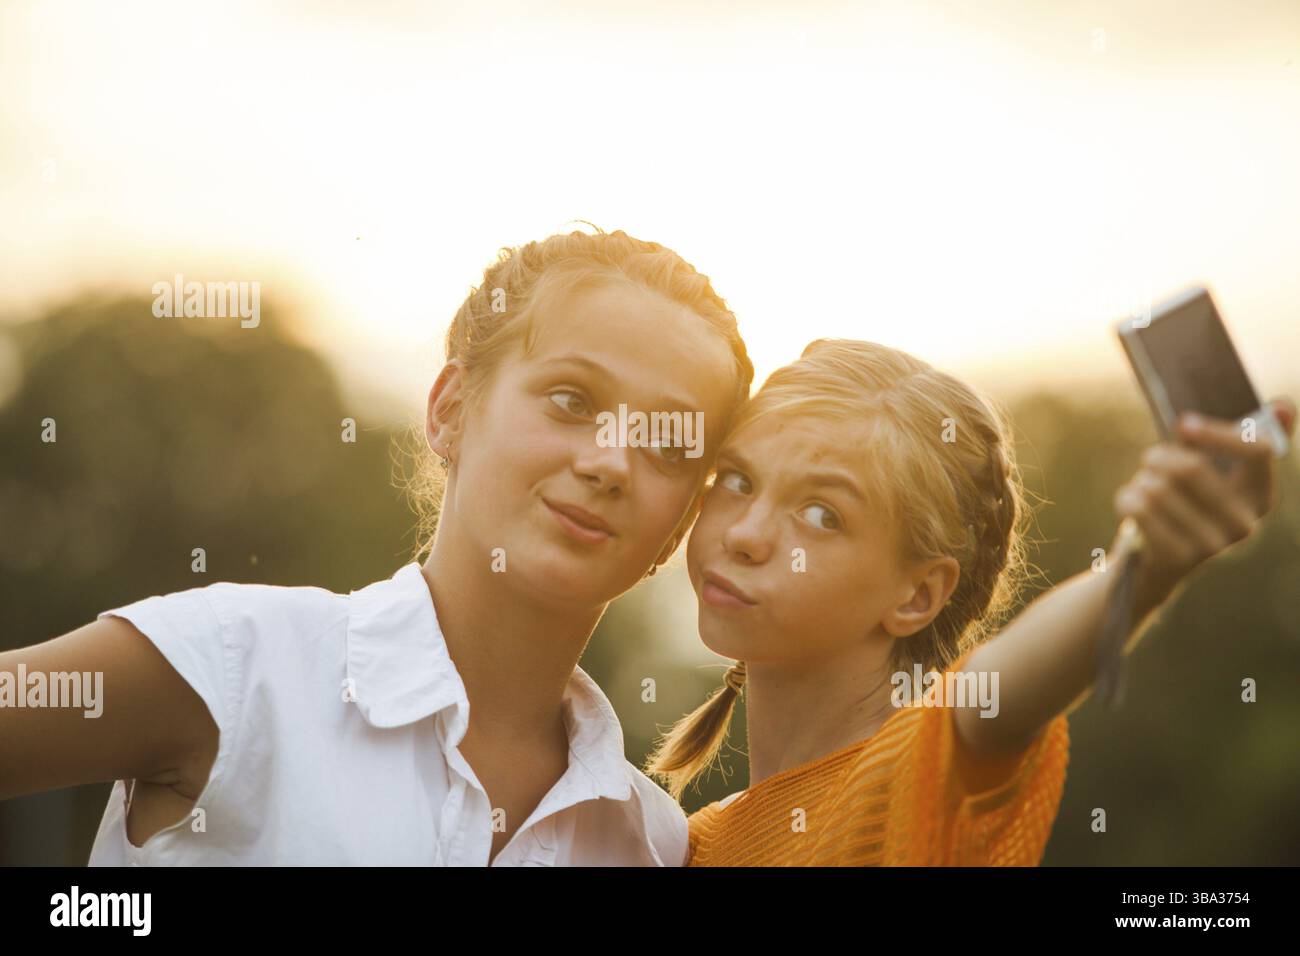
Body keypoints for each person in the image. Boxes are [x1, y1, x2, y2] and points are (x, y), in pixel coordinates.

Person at [0, 228, 753, 865]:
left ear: (682, 523)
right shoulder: (233, 664)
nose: (610, 462)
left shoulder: (652, 843)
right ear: (451, 409)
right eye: (571, 401)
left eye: (666, 443)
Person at [645, 338, 1294, 865]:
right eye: (736, 479)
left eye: (821, 513)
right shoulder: (693, 842)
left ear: (917, 594)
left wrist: (1145, 566)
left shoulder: (918, 782)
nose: (746, 533)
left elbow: (994, 695)